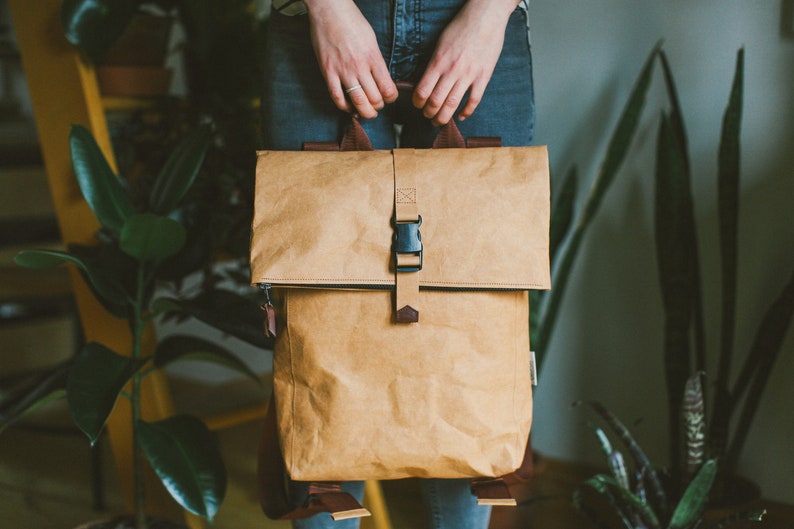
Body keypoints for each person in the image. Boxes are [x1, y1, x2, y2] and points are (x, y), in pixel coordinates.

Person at [260, 0, 534, 527]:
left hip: (481, 15)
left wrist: (488, 14)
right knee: (319, 307)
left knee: (474, 315)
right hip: (318, 13)